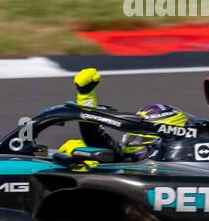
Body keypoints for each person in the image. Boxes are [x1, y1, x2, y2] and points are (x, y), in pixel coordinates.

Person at [67, 67, 196, 160]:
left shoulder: (170, 161)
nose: (133, 142)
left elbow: (98, 142)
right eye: (134, 136)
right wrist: (85, 97)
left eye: (142, 137)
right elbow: (98, 142)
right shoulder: (129, 157)